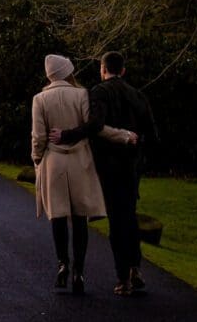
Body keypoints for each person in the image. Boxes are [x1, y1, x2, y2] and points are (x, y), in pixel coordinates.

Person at [51, 50, 159, 297]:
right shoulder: (138, 96)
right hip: (131, 167)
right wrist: (138, 151)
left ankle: (123, 278)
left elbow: (95, 126)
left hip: (108, 166)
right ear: (123, 70)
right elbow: (152, 135)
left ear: (102, 69)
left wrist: (66, 135)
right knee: (129, 217)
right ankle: (135, 267)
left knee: (116, 221)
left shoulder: (98, 93)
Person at [30, 53, 136, 295]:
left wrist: (38, 159)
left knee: (57, 216)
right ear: (68, 72)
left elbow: (38, 137)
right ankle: (79, 270)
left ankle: (62, 264)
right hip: (79, 160)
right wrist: (125, 135)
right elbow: (95, 128)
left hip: (53, 161)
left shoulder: (39, 99)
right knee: (79, 218)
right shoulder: (81, 94)